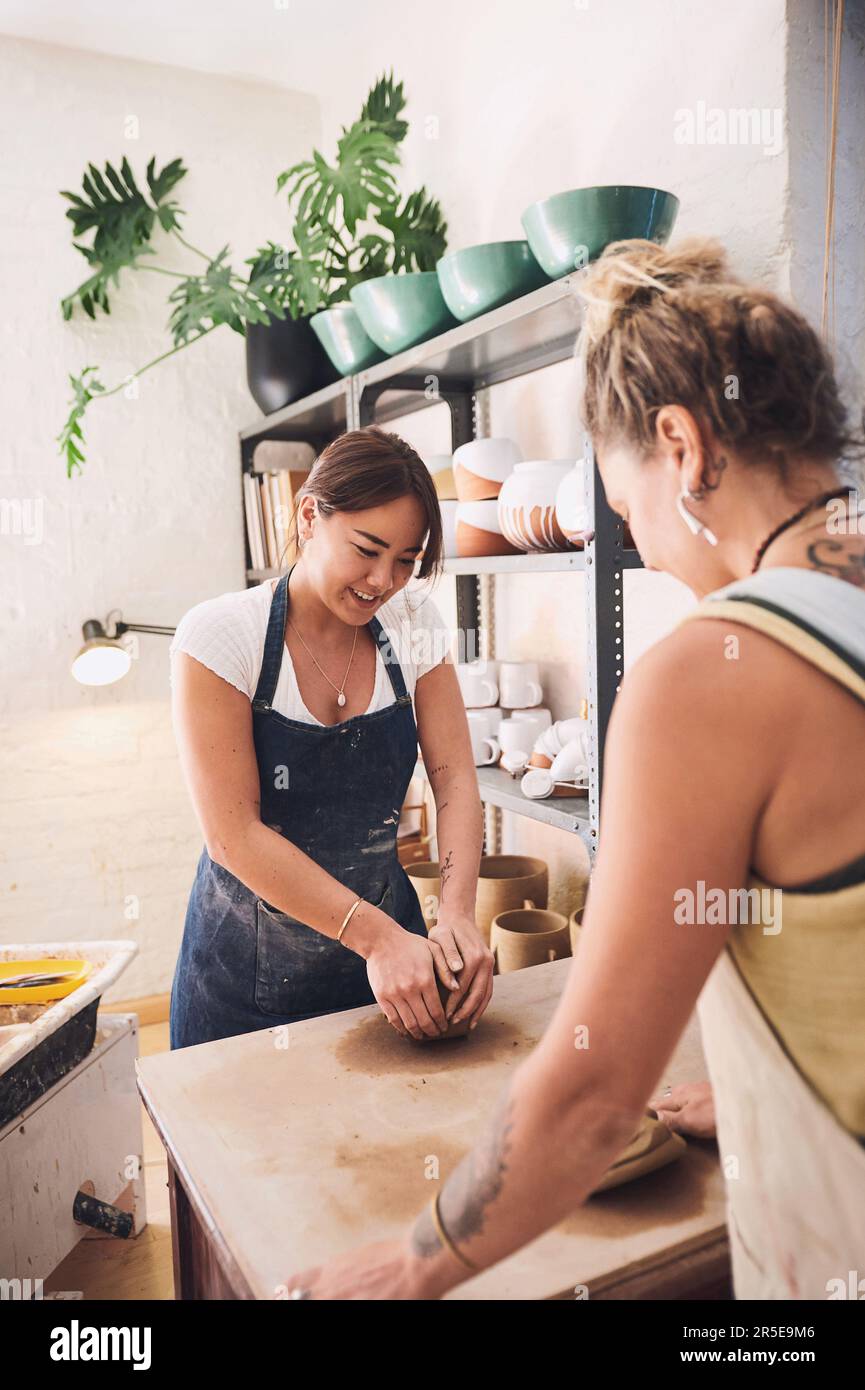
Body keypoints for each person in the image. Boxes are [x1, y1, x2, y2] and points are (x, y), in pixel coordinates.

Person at [286, 237, 865, 1300]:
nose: (639, 543)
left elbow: (594, 1092)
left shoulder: (711, 675)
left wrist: (414, 1266)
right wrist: (754, 1087)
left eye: (625, 502)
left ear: (681, 447)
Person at [169, 426, 493, 1050]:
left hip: (392, 967)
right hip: (244, 983)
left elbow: (453, 779)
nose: (383, 580)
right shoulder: (219, 637)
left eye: (406, 560)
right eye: (367, 549)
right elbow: (233, 835)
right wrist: (376, 938)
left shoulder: (411, 621)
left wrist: (455, 913)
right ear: (310, 515)